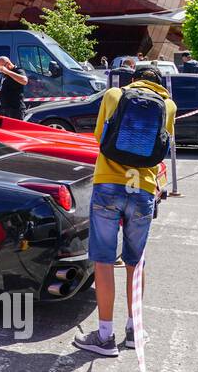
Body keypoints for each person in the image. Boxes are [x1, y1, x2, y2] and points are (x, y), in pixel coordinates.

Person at [74, 68, 176, 357]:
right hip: (143, 188)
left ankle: (105, 335)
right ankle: (135, 330)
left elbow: (99, 137)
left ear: (134, 80)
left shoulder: (115, 95)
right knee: (136, 262)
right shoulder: (168, 105)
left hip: (108, 184)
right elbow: (162, 147)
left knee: (104, 261)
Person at [0, 56, 29, 120]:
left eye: (1, 69)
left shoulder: (18, 70)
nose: (0, 71)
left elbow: (24, 81)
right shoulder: (5, 74)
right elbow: (8, 88)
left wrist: (7, 71)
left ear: (8, 64)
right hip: (4, 109)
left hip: (15, 110)